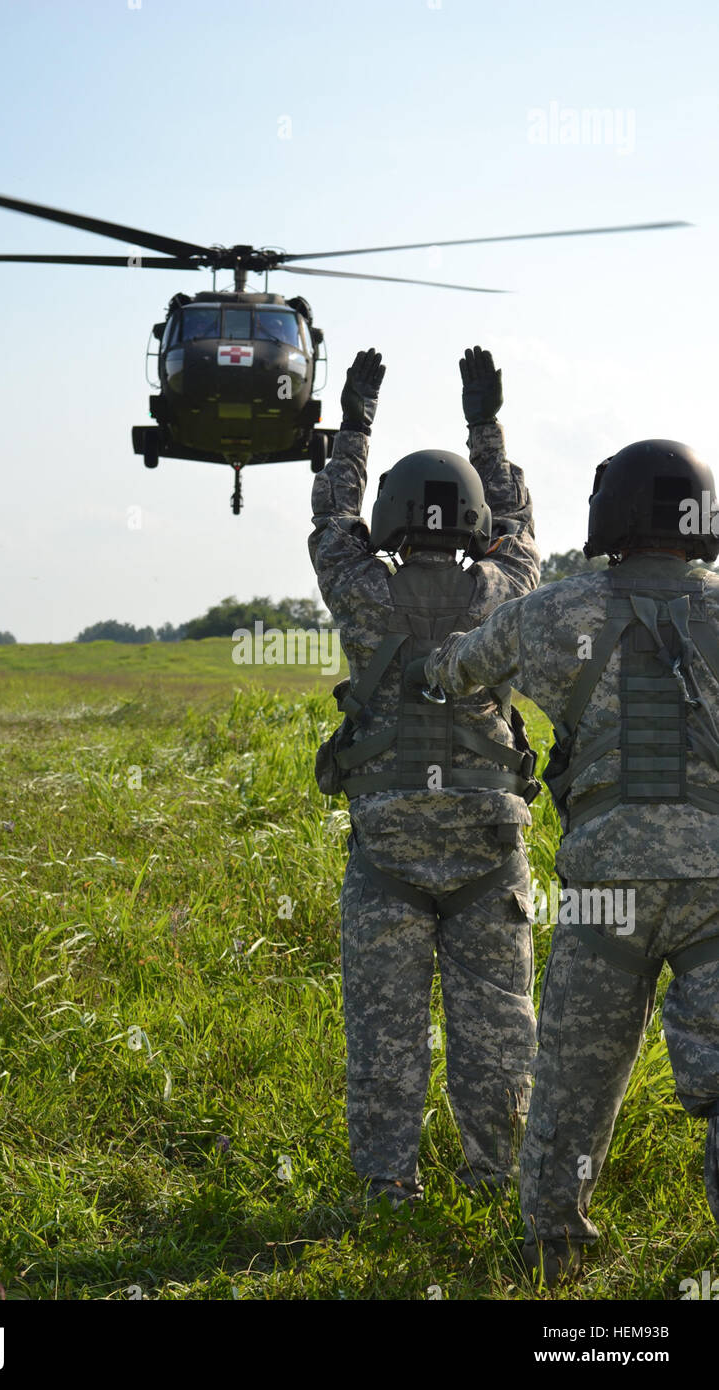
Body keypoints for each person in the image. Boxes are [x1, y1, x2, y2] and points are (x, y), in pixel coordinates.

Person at [423, 439, 719, 1282]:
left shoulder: (554, 612)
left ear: (611, 513)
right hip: (717, 885)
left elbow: (457, 671)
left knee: (571, 1084)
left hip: (604, 890)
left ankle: (554, 1255)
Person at [309, 345, 542, 1208]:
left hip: (388, 855)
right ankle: (494, 1184)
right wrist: (487, 423)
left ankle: (385, 1190)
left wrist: (355, 421)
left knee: (383, 1033)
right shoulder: (505, 589)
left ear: (391, 518)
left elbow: (332, 517)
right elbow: (519, 520)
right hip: (490, 849)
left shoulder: (360, 589)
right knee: (499, 1029)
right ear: (476, 522)